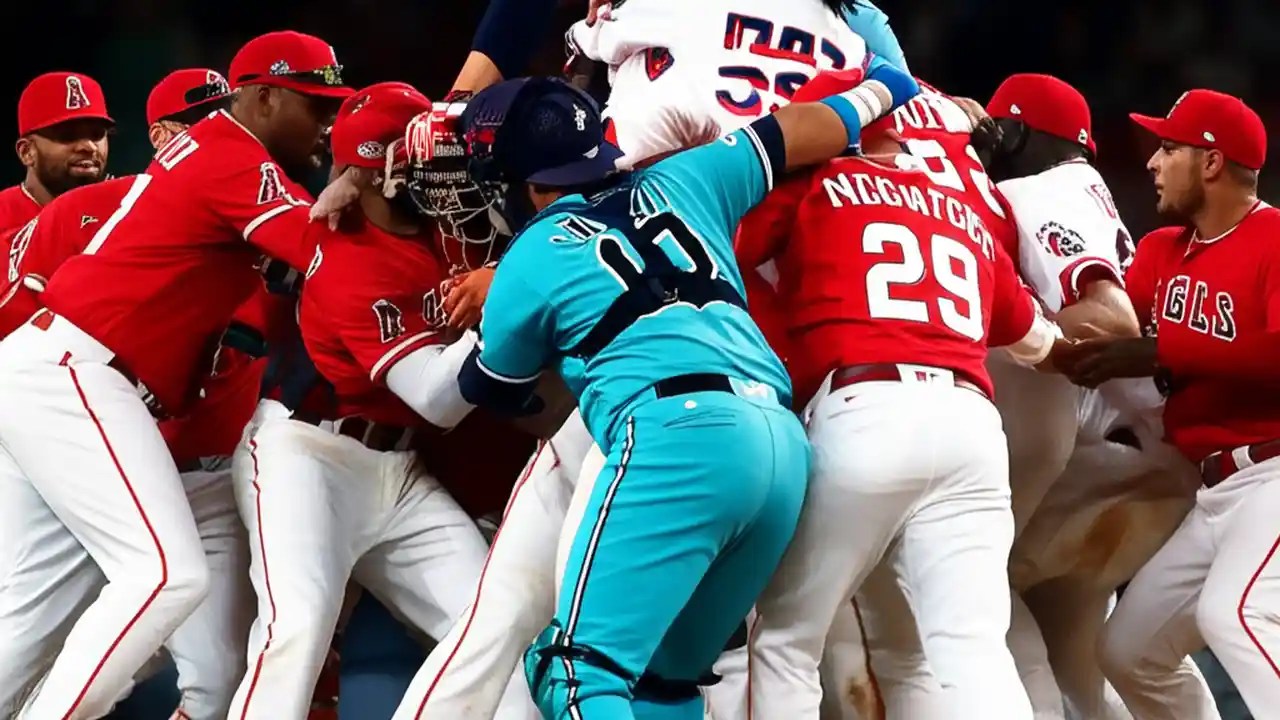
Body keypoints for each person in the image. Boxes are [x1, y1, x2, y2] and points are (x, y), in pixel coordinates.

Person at [450, 62, 917, 719]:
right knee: (662, 684)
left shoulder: (532, 253)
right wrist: (887, 87)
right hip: (781, 442)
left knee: (577, 677)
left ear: (526, 185)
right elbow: (797, 128)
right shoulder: (688, 177)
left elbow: (491, 390)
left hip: (677, 435)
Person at [0, 30, 349, 718]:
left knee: (27, 619)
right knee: (165, 575)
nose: (329, 121)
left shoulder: (212, 151)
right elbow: (318, 256)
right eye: (316, 104)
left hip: (63, 374)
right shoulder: (231, 155)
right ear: (265, 97)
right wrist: (364, 181)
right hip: (75, 373)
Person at [740, 68, 1073, 720]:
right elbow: (1033, 336)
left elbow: (732, 249)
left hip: (864, 412)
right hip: (971, 427)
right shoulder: (957, 208)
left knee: (786, 641)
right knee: (973, 648)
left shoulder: (814, 180)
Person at [226, 81, 536, 720]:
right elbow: (437, 400)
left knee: (499, 626)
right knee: (298, 630)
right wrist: (508, 296)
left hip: (401, 471)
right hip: (308, 456)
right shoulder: (348, 259)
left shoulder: (445, 222)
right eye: (421, 154)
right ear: (375, 175)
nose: (442, 164)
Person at [1065, 89, 1280, 720]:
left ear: (1211, 162)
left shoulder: (1273, 237)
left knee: (1235, 614)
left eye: (1169, 148)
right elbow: (1117, 343)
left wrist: (1163, 351)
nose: (1153, 164)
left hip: (1273, 470)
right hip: (1210, 490)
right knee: (1130, 651)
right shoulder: (1159, 251)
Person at [0, 71, 113, 234]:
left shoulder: (125, 212)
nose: (89, 147)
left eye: (97, 135)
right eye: (67, 136)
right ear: (27, 152)